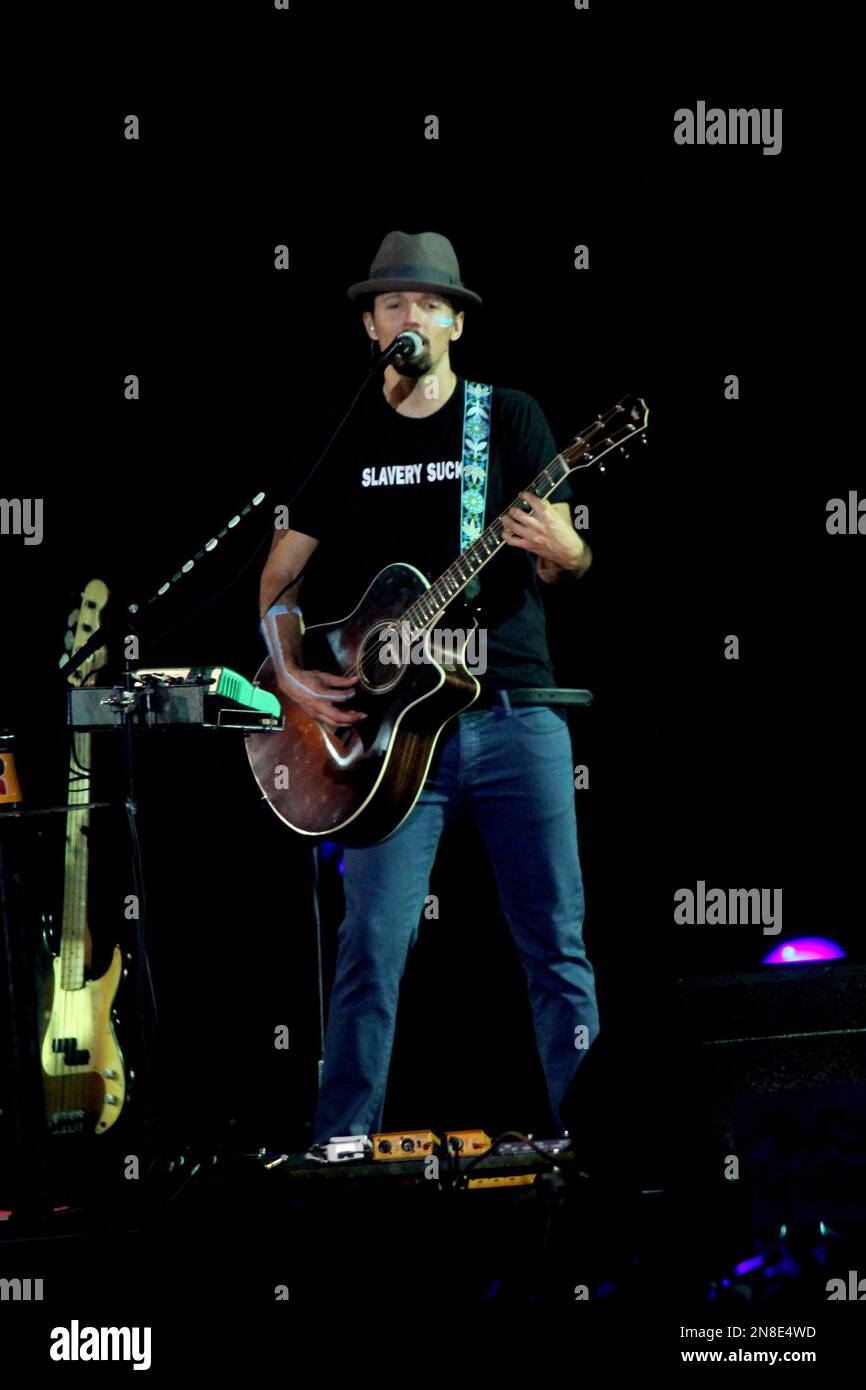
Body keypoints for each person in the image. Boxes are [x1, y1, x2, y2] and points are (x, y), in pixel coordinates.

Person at [258, 231, 600, 1154]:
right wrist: (290, 672)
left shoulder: (511, 416)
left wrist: (563, 552)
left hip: (512, 710)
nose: (412, 316)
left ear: (456, 320)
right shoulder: (346, 435)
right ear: (372, 325)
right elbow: (278, 580)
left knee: (554, 940)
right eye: (393, 303)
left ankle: (596, 1141)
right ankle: (339, 1151)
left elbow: (571, 555)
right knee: (370, 944)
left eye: (428, 302)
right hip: (386, 743)